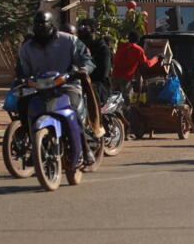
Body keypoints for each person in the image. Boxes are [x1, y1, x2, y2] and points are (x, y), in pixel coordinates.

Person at [15, 11, 97, 164]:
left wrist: (82, 69)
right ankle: (34, 146)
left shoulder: (70, 41)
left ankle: (86, 150)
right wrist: (22, 78)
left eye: (42, 23)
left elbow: (87, 60)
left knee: (73, 107)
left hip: (66, 85)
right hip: (38, 88)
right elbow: (21, 69)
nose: (39, 27)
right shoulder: (26, 48)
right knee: (22, 105)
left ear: (51, 24)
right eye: (36, 24)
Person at [112, 30, 160, 103]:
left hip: (115, 76)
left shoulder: (121, 46)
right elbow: (147, 64)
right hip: (126, 78)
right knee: (128, 101)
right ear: (138, 40)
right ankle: (126, 114)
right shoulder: (138, 49)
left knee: (113, 99)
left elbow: (115, 60)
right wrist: (156, 58)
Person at [77, 18, 111, 102]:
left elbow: (103, 74)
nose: (80, 30)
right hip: (78, 84)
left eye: (84, 27)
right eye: (80, 27)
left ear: (92, 29)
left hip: (98, 86)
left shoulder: (102, 48)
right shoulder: (78, 48)